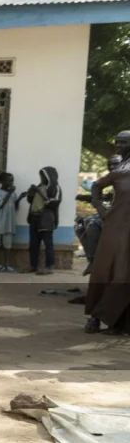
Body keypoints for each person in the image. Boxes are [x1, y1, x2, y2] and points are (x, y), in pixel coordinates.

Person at [85, 133, 130, 334]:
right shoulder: (120, 170)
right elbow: (96, 186)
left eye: (123, 142)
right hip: (115, 228)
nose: (118, 146)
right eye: (117, 142)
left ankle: (118, 322)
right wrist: (101, 209)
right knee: (105, 270)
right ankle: (95, 317)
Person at [18, 166, 62, 275]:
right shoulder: (40, 186)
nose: (41, 177)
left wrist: (40, 192)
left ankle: (48, 266)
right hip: (34, 217)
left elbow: (53, 204)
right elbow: (31, 201)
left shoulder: (55, 188)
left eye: (43, 175)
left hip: (46, 218)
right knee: (33, 244)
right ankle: (33, 265)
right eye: (41, 175)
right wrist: (31, 193)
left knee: (48, 244)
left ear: (49, 176)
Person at [0, 172, 19, 272]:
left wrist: (19, 199)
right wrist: (10, 193)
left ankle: (7, 264)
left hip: (9, 223)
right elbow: (0, 205)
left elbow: (15, 208)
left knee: (8, 244)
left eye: (12, 180)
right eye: (9, 180)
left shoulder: (13, 194)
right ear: (2, 181)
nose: (11, 182)